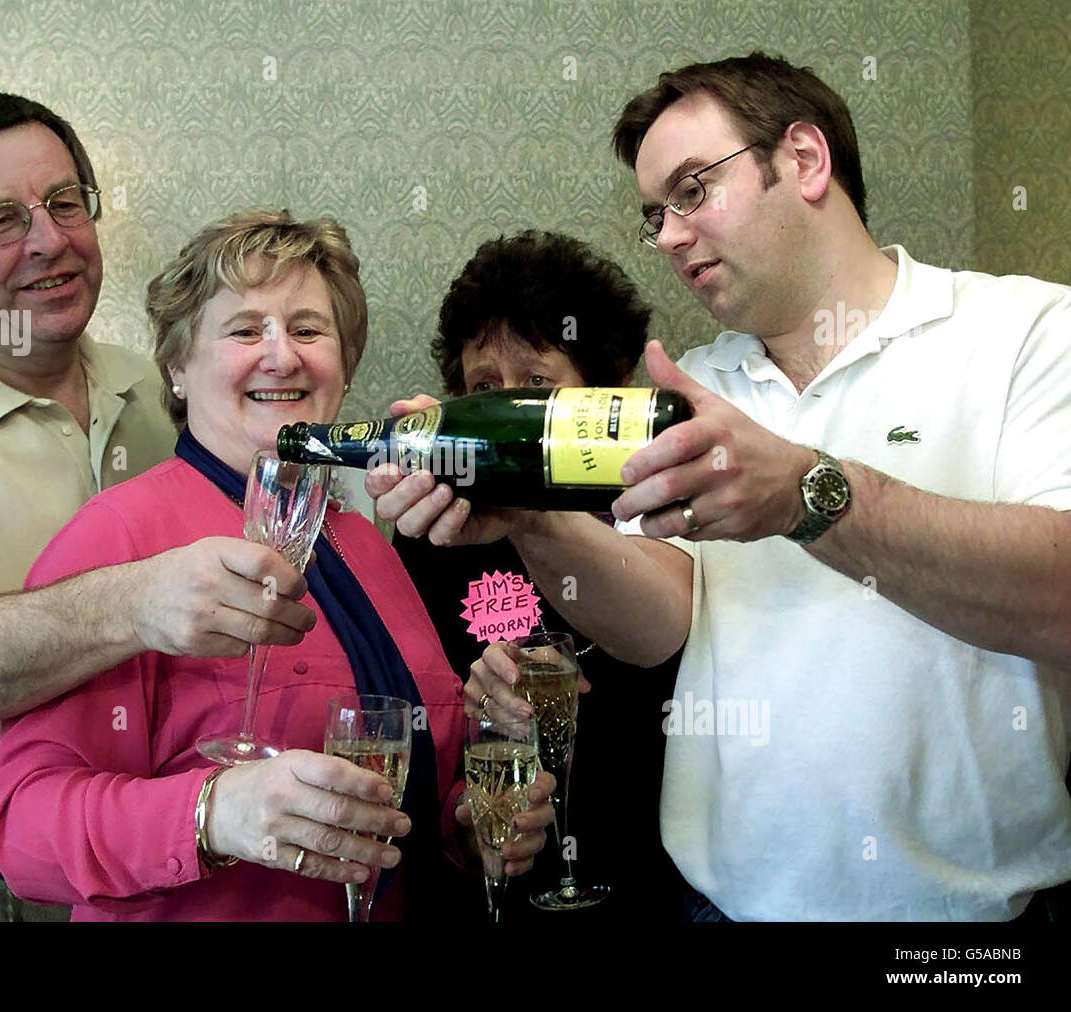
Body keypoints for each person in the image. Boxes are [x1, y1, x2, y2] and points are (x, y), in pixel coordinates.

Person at [368, 53, 1071, 921]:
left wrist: (809, 495)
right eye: (655, 215)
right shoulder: (694, 388)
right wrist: (531, 518)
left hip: (962, 922)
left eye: (692, 190)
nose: (667, 234)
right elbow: (662, 625)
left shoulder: (1025, 332)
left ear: (805, 160)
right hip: (719, 906)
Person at [0, 94, 312, 921]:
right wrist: (136, 602)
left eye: (66, 202)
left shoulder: (159, 386)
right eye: (0, 220)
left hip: (172, 876)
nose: (50, 240)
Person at [0, 209, 556, 921]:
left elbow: (404, 783)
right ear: (178, 368)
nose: (282, 357)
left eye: (309, 330)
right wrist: (214, 813)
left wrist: (472, 827)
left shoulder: (368, 541)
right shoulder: (118, 535)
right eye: (246, 330)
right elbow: (22, 828)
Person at [390, 230, 684, 920]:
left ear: (600, 391)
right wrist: (474, 707)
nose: (508, 412)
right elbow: (413, 729)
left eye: (537, 383)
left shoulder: (659, 518)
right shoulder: (436, 532)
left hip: (652, 884)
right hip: (493, 889)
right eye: (484, 388)